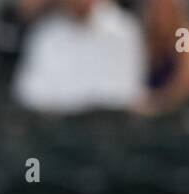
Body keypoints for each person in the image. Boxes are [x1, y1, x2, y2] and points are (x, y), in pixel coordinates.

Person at [12, 0, 146, 114]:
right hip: (57, 131)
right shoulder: (45, 33)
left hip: (110, 131)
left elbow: (126, 92)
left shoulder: (124, 30)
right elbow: (30, 95)